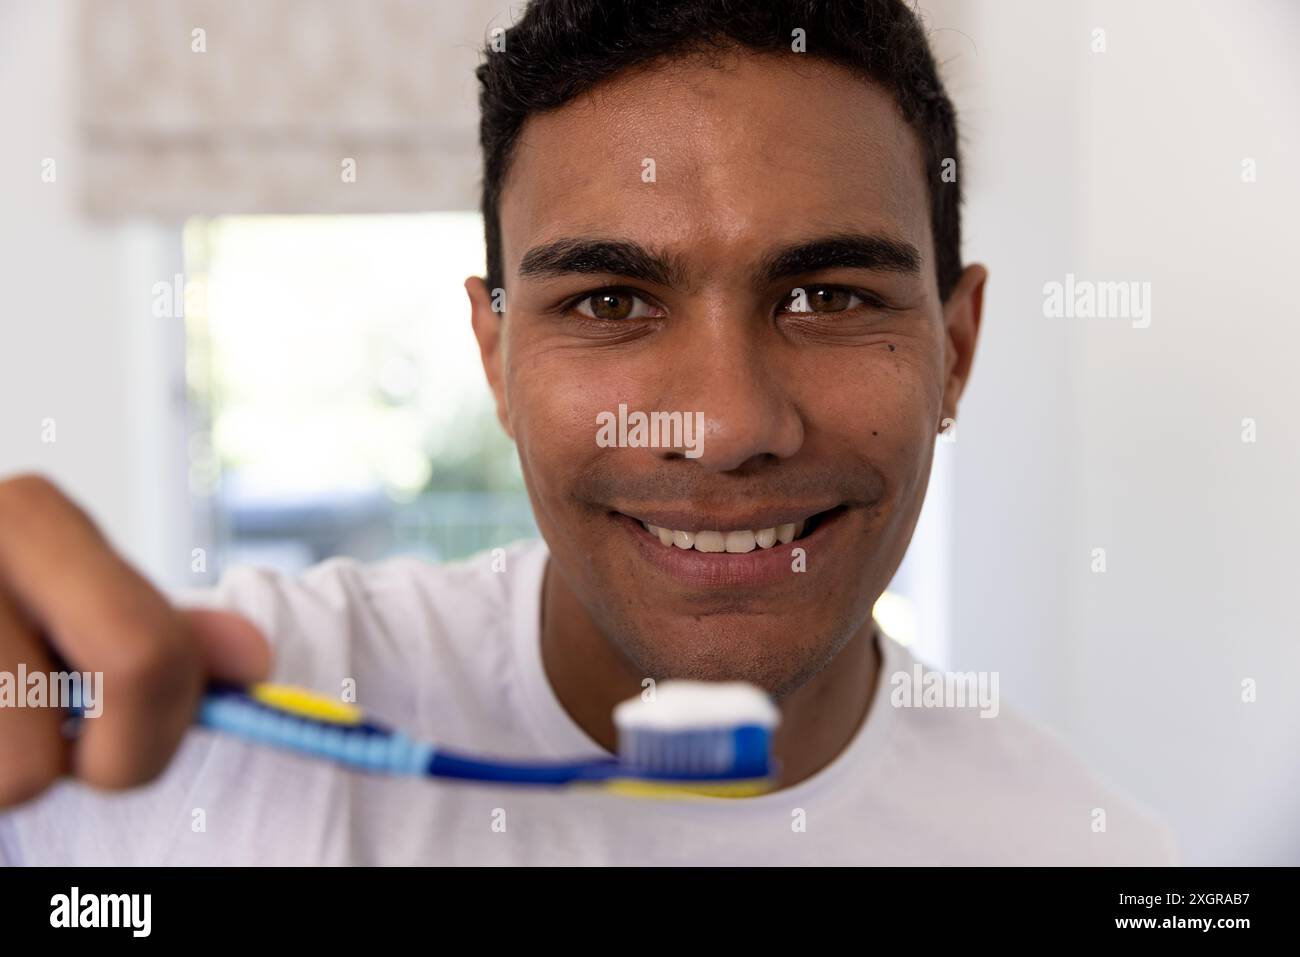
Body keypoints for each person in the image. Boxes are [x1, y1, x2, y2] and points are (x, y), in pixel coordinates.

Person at [0, 0, 1175, 865]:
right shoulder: (202, 736)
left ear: (955, 350)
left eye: (828, 296)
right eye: (609, 303)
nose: (722, 428)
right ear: (495, 357)